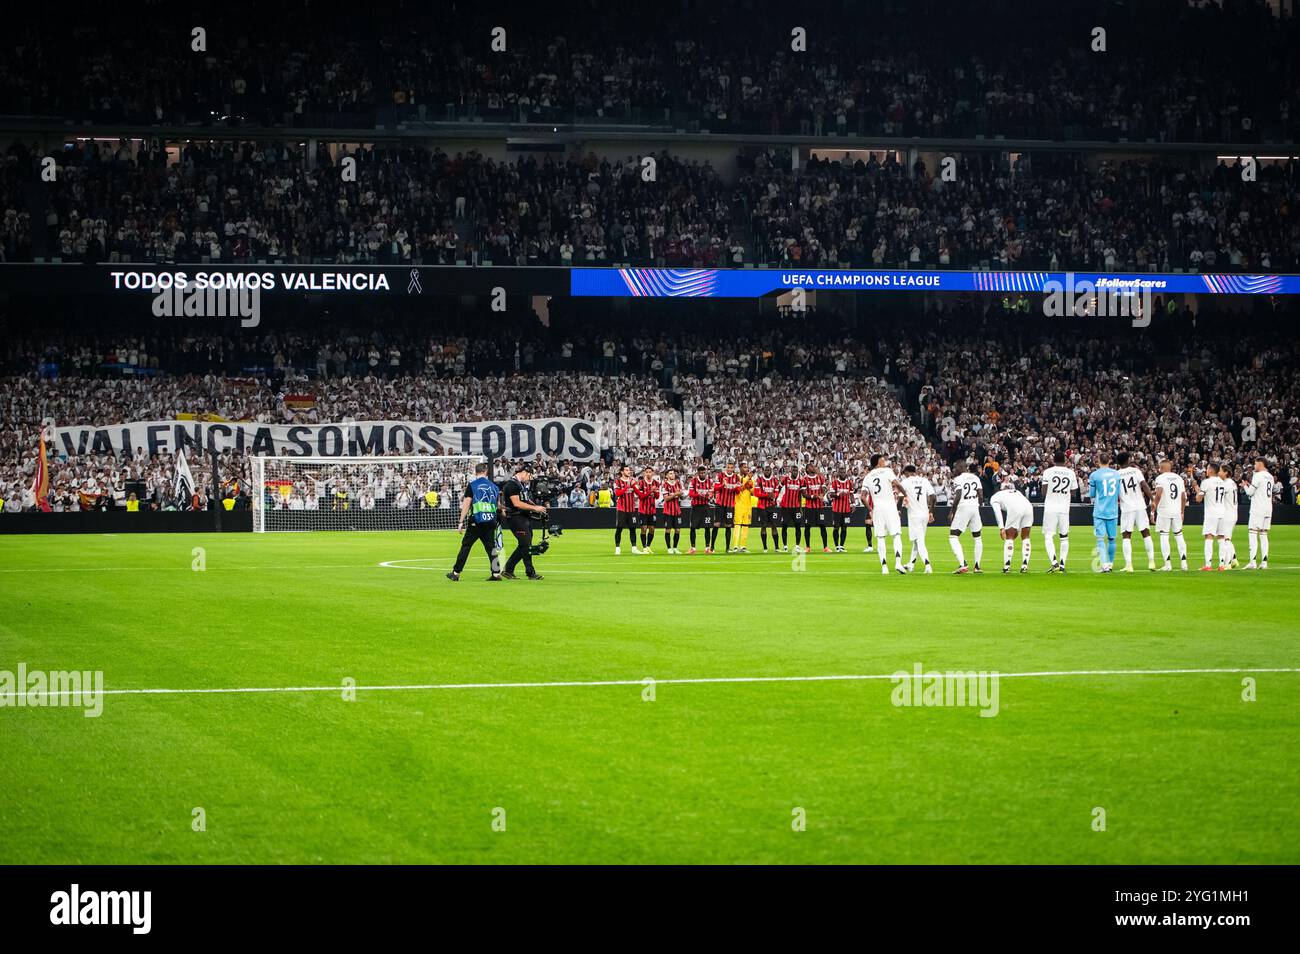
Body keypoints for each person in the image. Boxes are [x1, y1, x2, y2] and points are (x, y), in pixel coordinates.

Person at [447, 462, 502, 582]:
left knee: (466, 546)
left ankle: (456, 572)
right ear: (486, 472)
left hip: (476, 521)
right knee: (491, 547)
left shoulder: (472, 485)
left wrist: (461, 522)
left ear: (475, 472)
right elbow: (498, 506)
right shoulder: (494, 487)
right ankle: (496, 573)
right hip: (490, 520)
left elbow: (466, 504)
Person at [500, 463, 546, 580]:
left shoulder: (520, 485)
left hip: (523, 517)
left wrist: (535, 506)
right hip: (516, 518)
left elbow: (525, 499)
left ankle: (508, 569)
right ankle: (530, 572)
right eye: (529, 476)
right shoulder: (511, 485)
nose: (529, 479)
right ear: (524, 473)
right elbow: (517, 503)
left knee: (524, 544)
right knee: (526, 545)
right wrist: (535, 508)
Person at [863, 454, 907, 574]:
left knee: (880, 538)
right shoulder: (887, 471)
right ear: (878, 462)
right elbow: (896, 484)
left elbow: (863, 497)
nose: (885, 462)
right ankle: (898, 563)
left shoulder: (867, 477)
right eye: (883, 460)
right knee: (896, 535)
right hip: (890, 507)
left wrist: (870, 510)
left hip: (877, 509)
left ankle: (884, 567)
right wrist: (906, 495)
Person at [1039, 451, 1078, 573]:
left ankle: (1054, 562)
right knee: (1064, 537)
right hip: (1064, 508)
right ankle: (1062, 564)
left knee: (1048, 535)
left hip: (1050, 507)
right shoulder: (1070, 473)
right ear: (1065, 460)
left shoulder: (1048, 472)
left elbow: (1044, 492)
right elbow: (1074, 492)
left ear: (1053, 460)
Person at [1116, 451, 1156, 572]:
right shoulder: (1136, 471)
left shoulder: (1116, 474)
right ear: (1128, 460)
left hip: (1127, 508)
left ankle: (1129, 565)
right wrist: (1153, 499)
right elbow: (1144, 486)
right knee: (1146, 533)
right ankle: (1151, 562)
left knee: (1126, 535)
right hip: (1140, 506)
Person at [1150, 459, 1190, 571]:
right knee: (1179, 535)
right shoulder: (1178, 478)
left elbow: (1158, 494)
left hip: (1164, 511)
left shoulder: (1160, 478)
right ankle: (1184, 564)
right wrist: (1182, 511)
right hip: (1176, 511)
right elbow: (1184, 497)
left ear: (1161, 468)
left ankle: (1167, 565)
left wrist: (1153, 511)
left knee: (1164, 536)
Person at [990, 477, 1034, 573]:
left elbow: (997, 512)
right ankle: (1025, 565)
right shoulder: (1016, 492)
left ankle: (1007, 566)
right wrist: (1017, 528)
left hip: (1015, 508)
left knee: (1009, 537)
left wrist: (1001, 528)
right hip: (1028, 506)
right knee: (1026, 537)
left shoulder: (994, 497)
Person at [948, 461, 985, 574]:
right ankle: (977, 566)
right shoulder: (975, 477)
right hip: (974, 507)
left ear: (960, 467)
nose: (954, 470)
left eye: (955, 468)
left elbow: (958, 496)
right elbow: (981, 495)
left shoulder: (958, 479)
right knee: (977, 537)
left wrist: (952, 511)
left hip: (963, 507)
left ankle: (963, 564)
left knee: (953, 536)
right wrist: (977, 506)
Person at [1087, 453, 1121, 573]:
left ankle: (1104, 564)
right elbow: (1119, 493)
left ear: (1098, 461)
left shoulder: (1094, 475)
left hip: (1100, 511)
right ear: (1109, 460)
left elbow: (1091, 494)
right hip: (1113, 511)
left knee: (1100, 539)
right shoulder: (1117, 474)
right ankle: (1110, 564)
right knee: (1112, 539)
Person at [899, 464, 935, 573]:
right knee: (916, 540)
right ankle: (911, 563)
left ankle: (927, 565)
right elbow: (933, 496)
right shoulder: (924, 481)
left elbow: (901, 497)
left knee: (920, 541)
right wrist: (931, 511)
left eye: (905, 473)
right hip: (924, 514)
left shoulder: (905, 482)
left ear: (907, 472)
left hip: (914, 516)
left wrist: (898, 510)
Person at [1243, 457, 1276, 570]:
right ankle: (1264, 563)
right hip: (1268, 507)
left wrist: (1245, 486)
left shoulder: (1258, 475)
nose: (1254, 466)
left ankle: (1252, 562)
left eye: (1256, 464)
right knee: (1263, 534)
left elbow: (1250, 492)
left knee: (1252, 532)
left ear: (1261, 464)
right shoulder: (1270, 477)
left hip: (1258, 508)